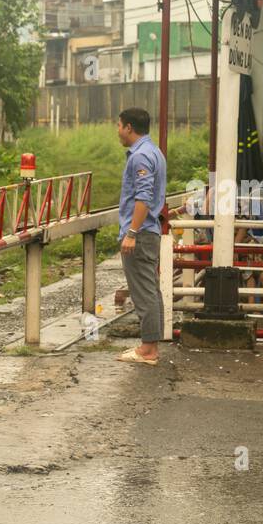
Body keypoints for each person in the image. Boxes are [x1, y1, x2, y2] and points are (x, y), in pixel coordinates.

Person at [115, 107, 166, 365]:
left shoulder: (140, 157)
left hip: (142, 232)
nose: (118, 130)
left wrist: (131, 232)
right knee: (151, 290)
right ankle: (151, 344)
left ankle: (148, 350)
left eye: (119, 125)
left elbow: (143, 197)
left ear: (129, 128)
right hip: (150, 231)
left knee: (144, 292)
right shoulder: (154, 151)